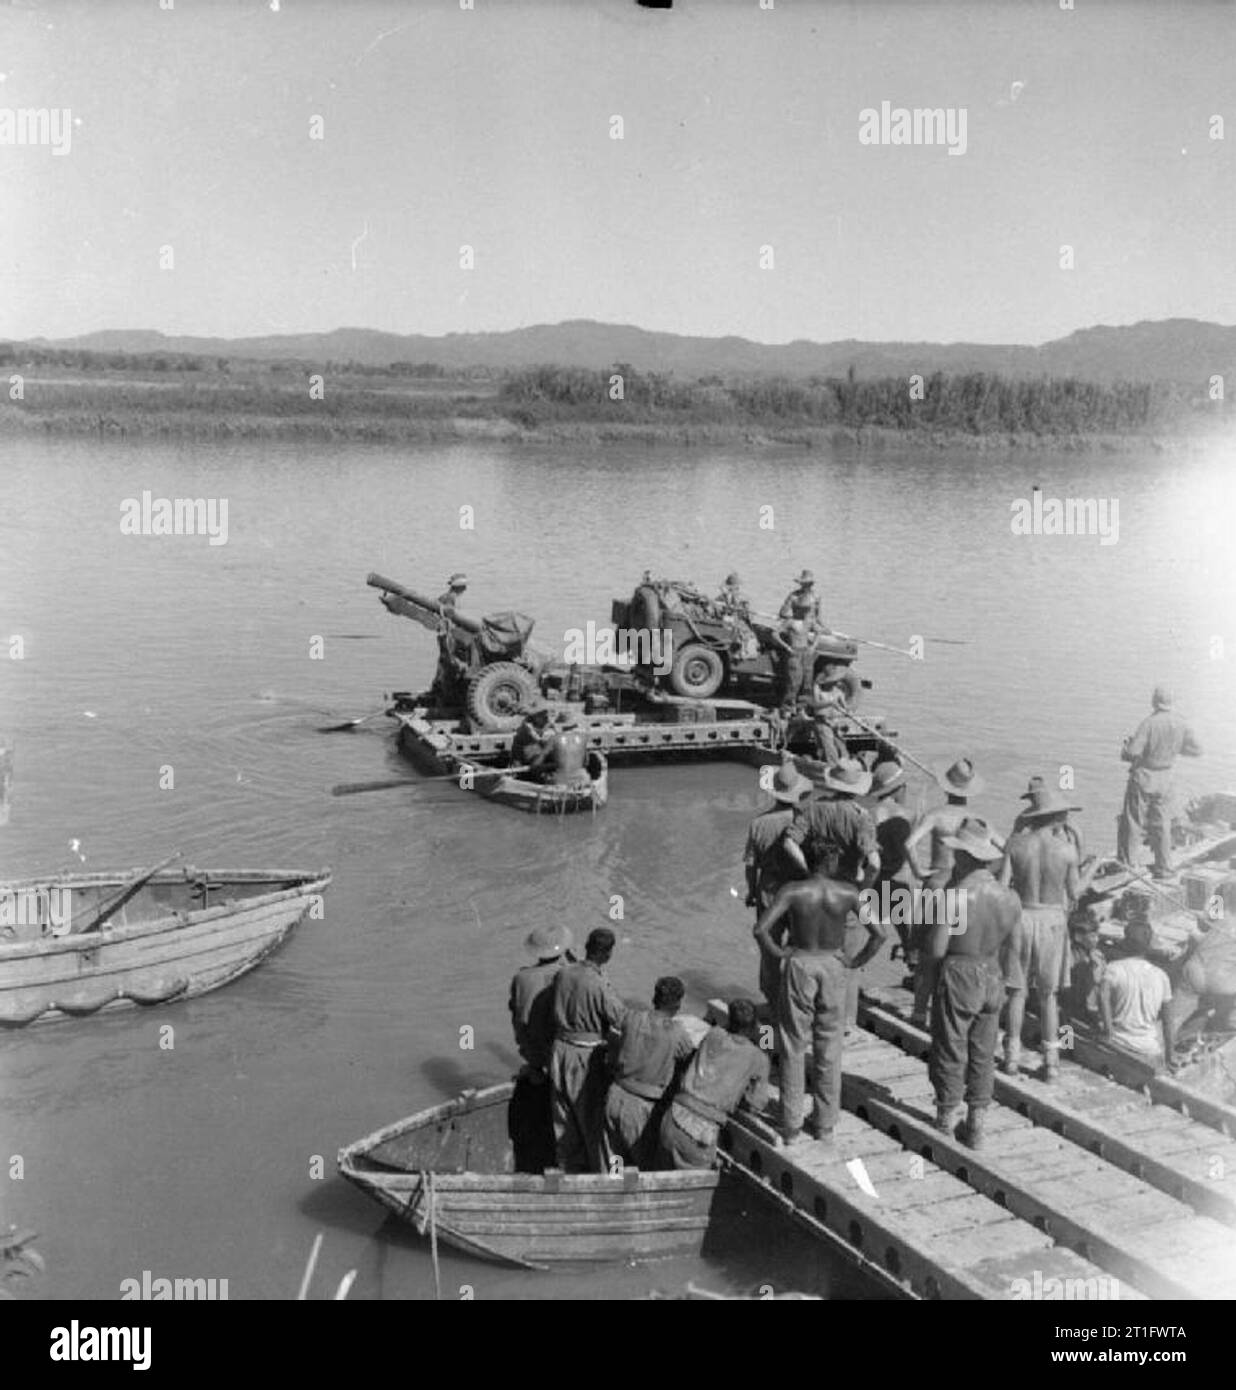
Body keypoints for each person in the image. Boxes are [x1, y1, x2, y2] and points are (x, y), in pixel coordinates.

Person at [755, 868, 886, 1145]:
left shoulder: (792, 890)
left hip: (801, 962)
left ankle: (790, 1125)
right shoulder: (848, 892)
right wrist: (856, 961)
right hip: (833, 966)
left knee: (793, 1044)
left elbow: (761, 929)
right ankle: (824, 1124)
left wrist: (780, 953)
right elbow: (880, 934)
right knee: (829, 1047)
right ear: (835, 862)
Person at [926, 817, 1022, 1150]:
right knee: (984, 1050)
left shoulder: (957, 896)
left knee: (951, 1046)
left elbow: (937, 949)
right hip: (993, 972)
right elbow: (1015, 949)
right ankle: (977, 1125)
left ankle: (945, 1118)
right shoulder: (1010, 898)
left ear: (965, 856)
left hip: (959, 971)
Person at [1000, 786, 1083, 1080]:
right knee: (1049, 996)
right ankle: (1051, 1062)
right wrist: (1093, 868)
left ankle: (1011, 1058)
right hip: (1051, 919)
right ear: (1057, 817)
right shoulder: (1067, 849)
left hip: (1022, 914)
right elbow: (1075, 893)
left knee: (1016, 992)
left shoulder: (1014, 844)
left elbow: (1002, 886)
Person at [904, 756, 986, 1026]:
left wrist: (918, 872)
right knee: (953, 950)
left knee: (927, 952)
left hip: (936, 882)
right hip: (962, 888)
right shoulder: (975, 819)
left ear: (946, 788)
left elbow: (908, 844)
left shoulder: (936, 815)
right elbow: (1003, 848)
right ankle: (948, 1011)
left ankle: (918, 1011)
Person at [658, 998, 770, 1170]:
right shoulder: (758, 1058)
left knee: (662, 1177)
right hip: (700, 1134)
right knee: (694, 1191)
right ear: (754, 1026)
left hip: (672, 1118)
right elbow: (756, 1104)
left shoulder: (714, 1034)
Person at [549, 927, 627, 1172]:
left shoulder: (563, 974)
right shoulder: (599, 984)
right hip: (585, 1056)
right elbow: (620, 1018)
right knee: (592, 1120)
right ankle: (601, 1178)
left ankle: (568, 1171)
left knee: (563, 1119)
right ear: (608, 954)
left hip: (559, 1051)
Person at [601, 976, 696, 1171]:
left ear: (654, 998)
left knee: (615, 1159)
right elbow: (689, 1058)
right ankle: (630, 1194)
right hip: (641, 1107)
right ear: (678, 1005)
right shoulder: (677, 1032)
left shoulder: (633, 1017)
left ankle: (614, 1188)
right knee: (640, 1164)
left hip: (615, 1096)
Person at [743, 758, 813, 1005]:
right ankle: (798, 999)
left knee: (769, 948)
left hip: (769, 892)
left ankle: (773, 1002)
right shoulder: (805, 820)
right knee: (801, 948)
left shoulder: (759, 823)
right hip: (799, 892)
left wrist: (751, 892)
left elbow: (751, 865)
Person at [1117, 686, 1203, 879]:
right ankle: (1164, 867)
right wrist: (1175, 750)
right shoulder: (1182, 722)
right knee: (1163, 823)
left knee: (1133, 821)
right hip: (1166, 779)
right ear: (1172, 702)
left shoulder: (1149, 723)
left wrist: (1125, 748)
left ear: (1154, 701)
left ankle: (1130, 865)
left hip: (1145, 777)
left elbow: (1132, 753)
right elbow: (1197, 750)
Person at [508, 924, 574, 1172]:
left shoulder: (521, 978)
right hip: (564, 1057)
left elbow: (518, 1020)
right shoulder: (569, 976)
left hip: (535, 1059)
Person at [1165, 875, 1236, 1054]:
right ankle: (1220, 1028)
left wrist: (1217, 895)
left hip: (1195, 971)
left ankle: (1171, 1045)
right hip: (1223, 982)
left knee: (1176, 1017)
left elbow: (1203, 926)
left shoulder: (1223, 905)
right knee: (1221, 1008)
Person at [865, 761, 919, 978]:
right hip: (898, 879)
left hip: (872, 878)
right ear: (898, 788)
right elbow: (909, 853)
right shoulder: (907, 815)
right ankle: (913, 968)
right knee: (908, 933)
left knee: (868, 930)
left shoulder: (868, 813)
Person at [1100, 917, 1175, 1068]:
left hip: (1119, 1044)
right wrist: (1169, 1056)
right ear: (1148, 946)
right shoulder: (1161, 976)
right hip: (1150, 1049)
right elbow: (1168, 1022)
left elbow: (1102, 998)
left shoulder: (1113, 969)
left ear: (1126, 943)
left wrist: (1108, 1033)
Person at [771, 618, 813, 712]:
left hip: (805, 651)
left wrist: (813, 646)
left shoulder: (808, 621)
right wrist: (787, 647)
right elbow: (775, 634)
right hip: (794, 650)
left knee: (806, 681)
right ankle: (787, 708)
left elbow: (819, 629)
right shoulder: (790, 622)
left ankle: (801, 708)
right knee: (794, 681)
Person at [510, 702, 556, 779]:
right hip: (531, 760)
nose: (545, 716)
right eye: (541, 715)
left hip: (544, 758)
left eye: (545, 713)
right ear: (534, 717)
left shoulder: (547, 725)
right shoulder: (526, 729)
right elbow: (537, 738)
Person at [546, 714, 589, 788]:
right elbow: (586, 762)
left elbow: (554, 760)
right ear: (574, 726)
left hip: (560, 781)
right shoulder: (583, 737)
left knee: (545, 776)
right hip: (582, 779)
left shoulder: (554, 738)